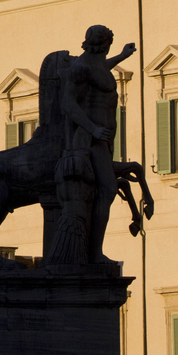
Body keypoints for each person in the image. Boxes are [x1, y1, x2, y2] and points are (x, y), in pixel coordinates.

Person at [60, 25, 136, 263]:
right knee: (108, 189)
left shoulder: (96, 64)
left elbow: (100, 69)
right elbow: (68, 104)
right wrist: (93, 128)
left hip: (103, 138)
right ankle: (94, 254)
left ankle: (94, 251)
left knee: (105, 190)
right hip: (90, 139)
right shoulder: (80, 68)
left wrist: (122, 56)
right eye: (108, 47)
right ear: (103, 45)